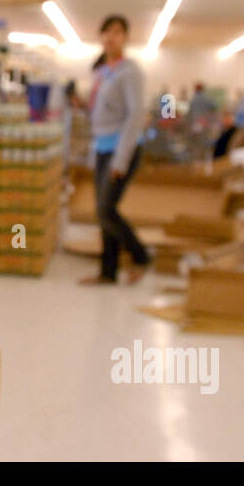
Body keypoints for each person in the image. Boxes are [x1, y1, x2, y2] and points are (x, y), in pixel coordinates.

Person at [81, 15, 151, 285]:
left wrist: (121, 159)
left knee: (106, 210)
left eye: (118, 32)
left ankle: (141, 256)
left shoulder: (130, 72)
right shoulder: (101, 72)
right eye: (107, 31)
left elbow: (135, 116)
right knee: (103, 211)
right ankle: (108, 272)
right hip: (102, 148)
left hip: (121, 150)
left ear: (126, 38)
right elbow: (97, 116)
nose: (111, 37)